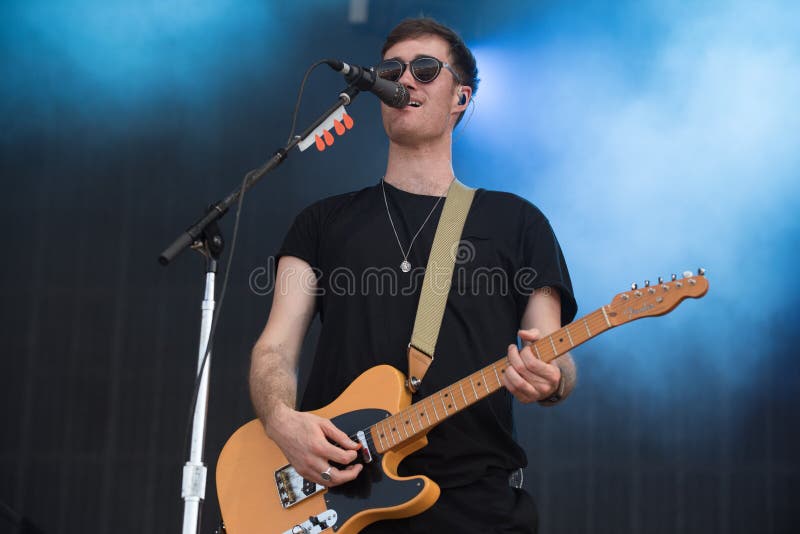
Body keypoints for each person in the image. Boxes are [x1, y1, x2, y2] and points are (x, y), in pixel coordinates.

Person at [249, 17, 577, 533]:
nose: (405, 80)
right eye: (391, 69)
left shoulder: (518, 222)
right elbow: (274, 350)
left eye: (426, 69)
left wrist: (552, 381)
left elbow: (555, 354)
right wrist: (280, 420)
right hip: (340, 501)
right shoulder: (319, 222)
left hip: (476, 508)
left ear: (460, 99)